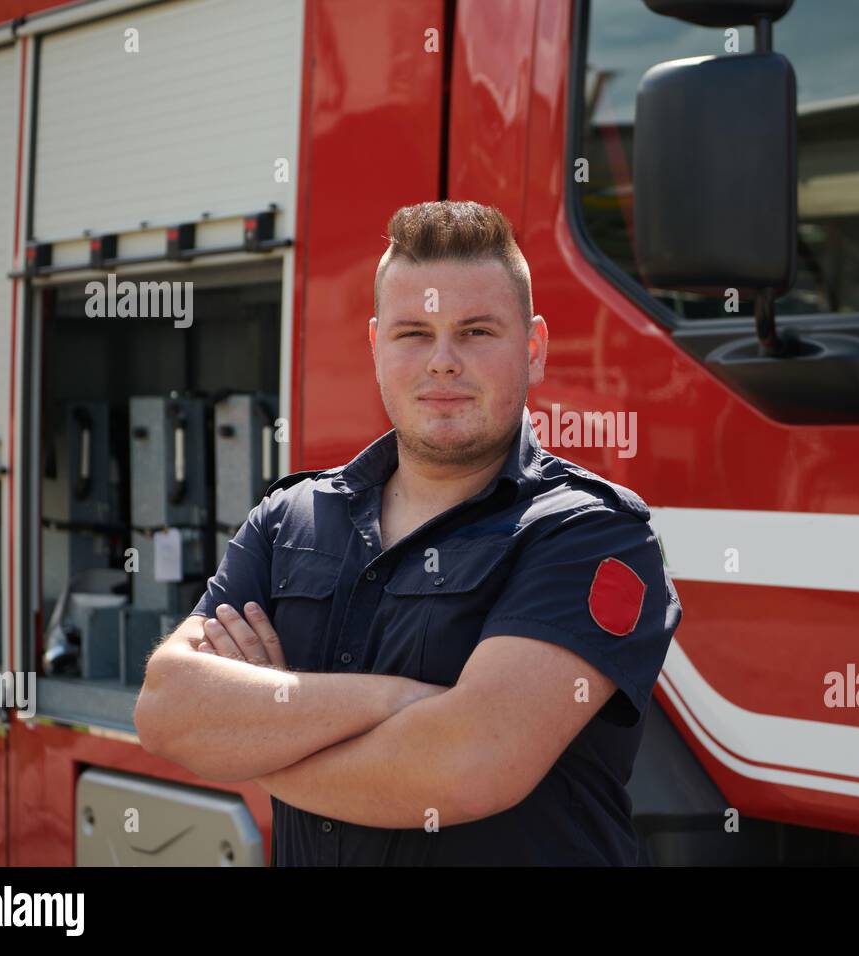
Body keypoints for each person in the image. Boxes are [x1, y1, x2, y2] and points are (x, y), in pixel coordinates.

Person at [134, 200, 682, 865]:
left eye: (477, 332)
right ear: (375, 347)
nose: (443, 361)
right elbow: (167, 709)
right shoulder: (289, 520)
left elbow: (470, 762)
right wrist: (398, 703)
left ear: (533, 349)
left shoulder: (588, 533)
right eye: (413, 333)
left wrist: (257, 742)